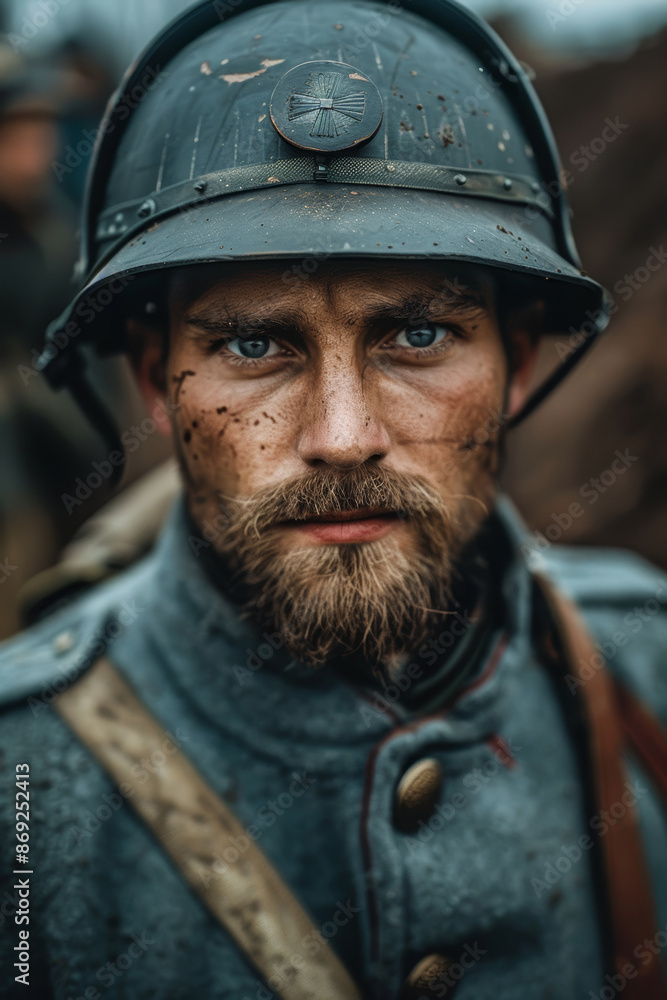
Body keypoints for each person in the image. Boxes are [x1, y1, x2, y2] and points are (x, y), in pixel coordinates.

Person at [0, 1, 665, 998]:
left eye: (419, 337)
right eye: (254, 345)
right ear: (154, 384)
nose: (343, 435)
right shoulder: (19, 773)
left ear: (517, 364)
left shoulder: (647, 668)